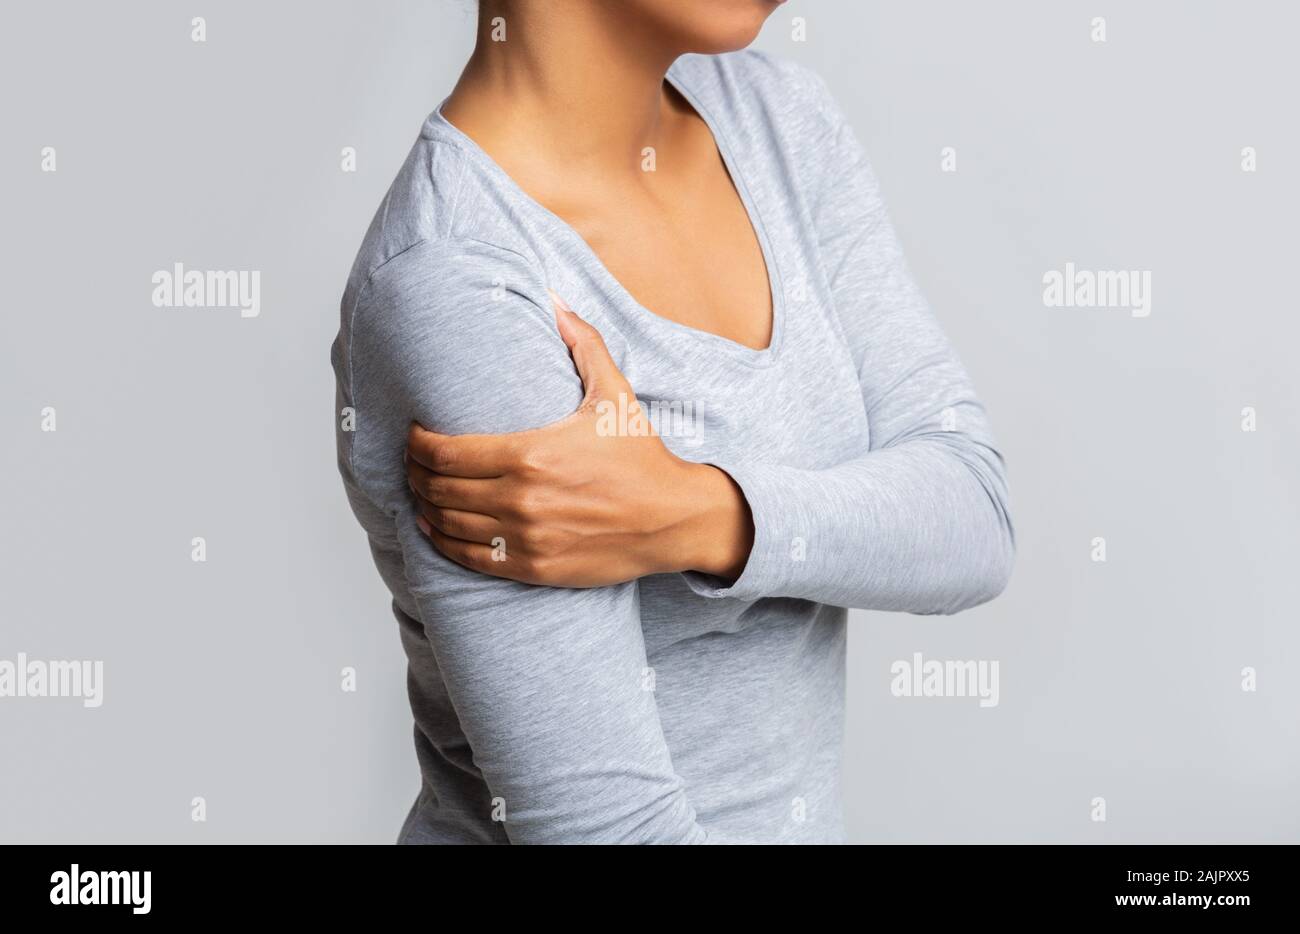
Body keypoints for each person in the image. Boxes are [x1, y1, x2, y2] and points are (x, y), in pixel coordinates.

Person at [331, 0, 1014, 844]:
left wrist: (698, 515)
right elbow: (613, 832)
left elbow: (974, 516)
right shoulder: (456, 282)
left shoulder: (778, 119)